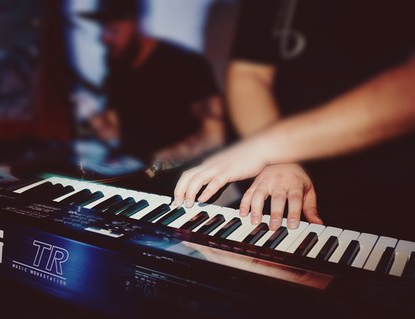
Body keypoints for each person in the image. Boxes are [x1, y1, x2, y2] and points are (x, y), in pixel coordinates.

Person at [173, 0, 415, 238]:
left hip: (390, 200)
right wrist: (282, 160)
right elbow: (250, 75)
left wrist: (268, 147)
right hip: (285, 180)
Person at [78, 0, 225, 163]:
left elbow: (214, 138)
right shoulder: (117, 65)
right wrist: (91, 116)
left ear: (136, 24)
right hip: (132, 169)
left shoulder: (185, 64)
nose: (104, 38)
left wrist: (155, 167)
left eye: (113, 29)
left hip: (179, 172)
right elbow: (114, 132)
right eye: (103, 28)